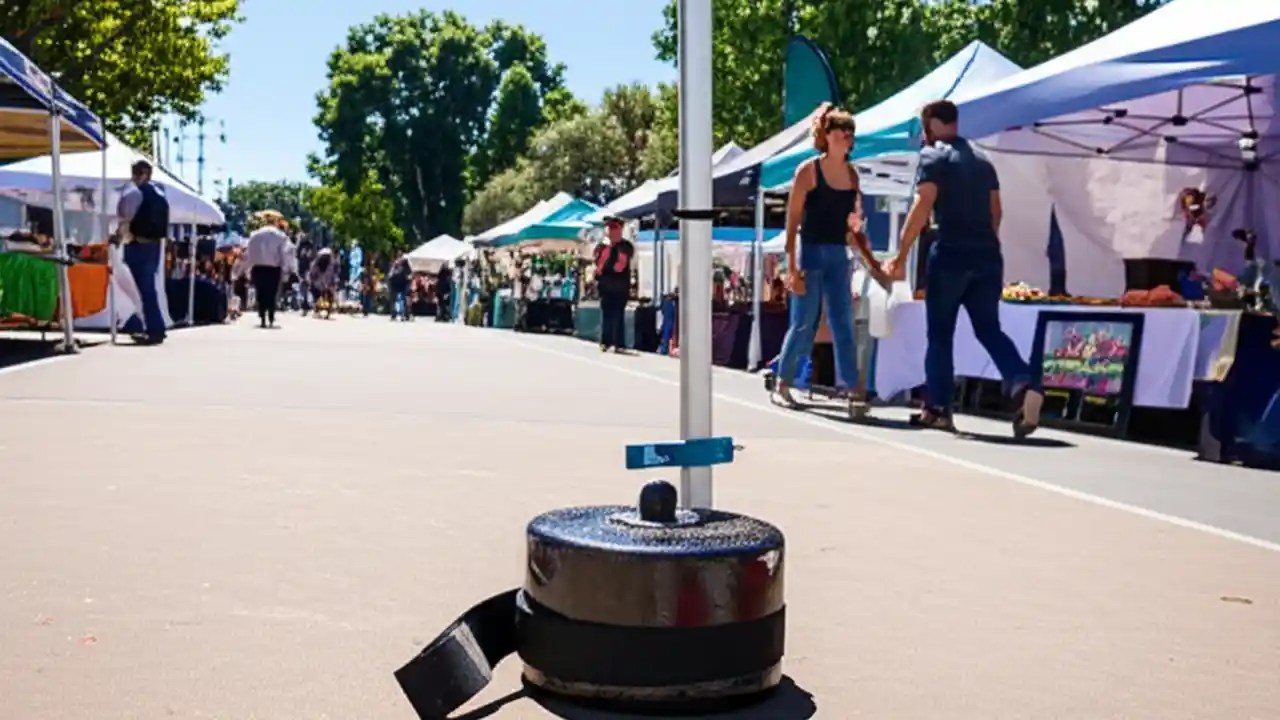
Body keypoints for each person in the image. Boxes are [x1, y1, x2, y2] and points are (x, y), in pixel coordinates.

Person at [882, 99, 1043, 435]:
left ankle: (938, 408)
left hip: (951, 253)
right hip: (987, 255)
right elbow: (997, 211)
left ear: (933, 125)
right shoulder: (984, 162)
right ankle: (1024, 380)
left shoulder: (933, 156)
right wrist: (987, 242)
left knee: (940, 334)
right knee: (989, 329)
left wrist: (901, 252)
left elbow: (923, 205)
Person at [773, 104, 880, 415]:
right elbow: (792, 224)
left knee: (843, 321)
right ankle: (783, 382)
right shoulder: (808, 171)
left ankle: (853, 388)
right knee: (804, 321)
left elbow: (853, 221)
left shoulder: (852, 175)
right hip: (811, 250)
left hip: (838, 253)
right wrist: (791, 268)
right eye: (842, 131)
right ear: (827, 135)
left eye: (851, 132)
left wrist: (861, 242)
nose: (848, 137)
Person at [116, 160, 170, 345]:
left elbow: (126, 219)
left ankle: (153, 328)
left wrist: (118, 237)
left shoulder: (134, 193)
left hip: (137, 244)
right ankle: (155, 326)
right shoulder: (160, 194)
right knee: (149, 289)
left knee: (142, 290)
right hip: (154, 246)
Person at [243, 210, 291, 328]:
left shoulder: (254, 235)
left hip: (258, 267)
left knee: (261, 292)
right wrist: (285, 269)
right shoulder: (281, 236)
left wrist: (248, 268)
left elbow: (250, 253)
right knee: (272, 293)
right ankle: (270, 314)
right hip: (274, 269)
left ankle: (262, 315)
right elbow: (284, 253)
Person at [594, 215, 634, 352]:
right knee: (606, 315)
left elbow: (620, 265)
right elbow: (598, 266)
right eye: (610, 228)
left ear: (621, 229)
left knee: (618, 315)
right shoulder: (602, 247)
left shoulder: (626, 247)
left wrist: (609, 254)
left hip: (620, 287)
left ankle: (619, 343)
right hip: (605, 287)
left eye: (615, 228)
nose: (612, 231)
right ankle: (605, 342)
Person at [308, 248, 339, 319]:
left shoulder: (332, 264)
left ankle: (326, 312)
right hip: (320, 284)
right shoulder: (316, 264)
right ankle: (318, 311)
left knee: (328, 297)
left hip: (327, 284)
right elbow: (312, 273)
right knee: (319, 297)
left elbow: (335, 274)